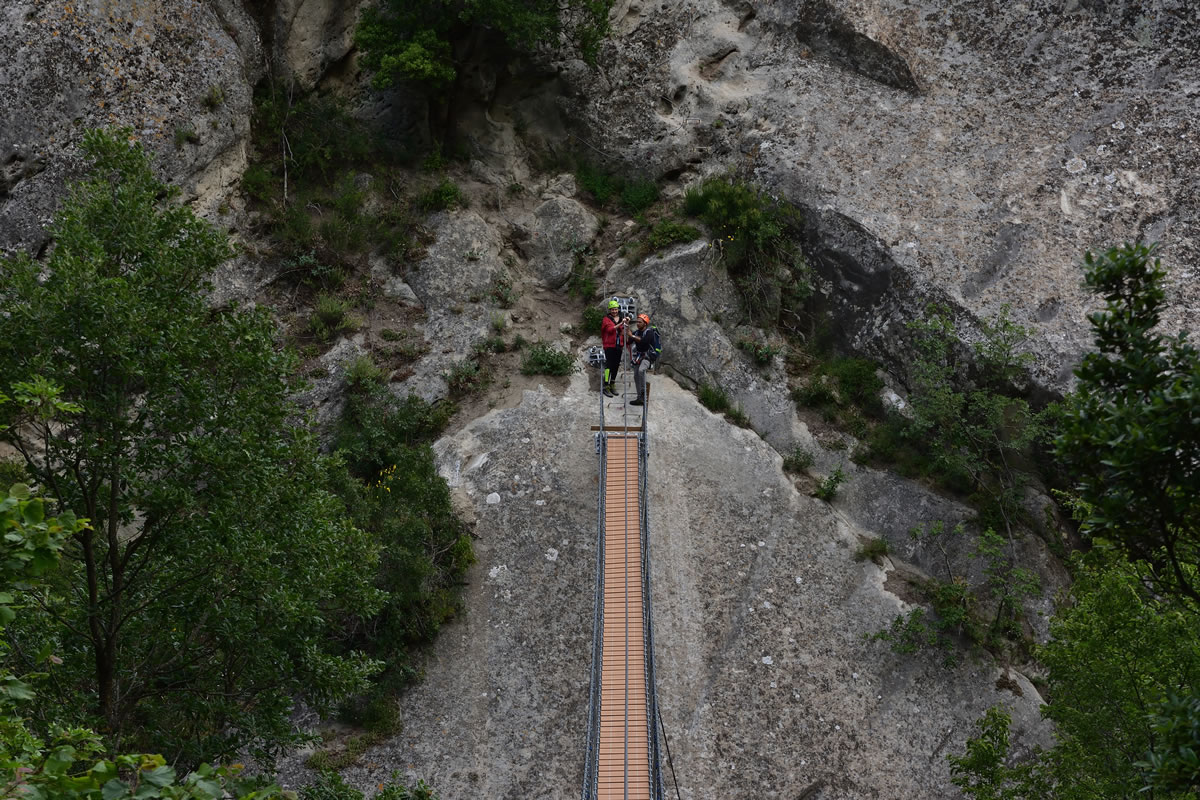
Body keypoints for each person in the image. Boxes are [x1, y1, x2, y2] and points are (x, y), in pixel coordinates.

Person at [627, 313, 660, 406]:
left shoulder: (649, 332)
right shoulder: (637, 332)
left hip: (648, 356)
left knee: (641, 370)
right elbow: (629, 341)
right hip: (639, 356)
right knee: (636, 375)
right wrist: (627, 329)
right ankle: (639, 398)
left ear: (645, 324)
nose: (637, 323)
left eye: (639, 322)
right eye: (637, 322)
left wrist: (632, 336)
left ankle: (643, 393)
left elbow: (645, 342)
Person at [600, 298, 626, 397]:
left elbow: (622, 330)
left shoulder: (620, 318)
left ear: (618, 309)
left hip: (618, 345)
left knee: (616, 365)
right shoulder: (606, 319)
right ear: (610, 310)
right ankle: (606, 385)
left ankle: (612, 383)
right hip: (609, 345)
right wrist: (621, 323)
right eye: (612, 309)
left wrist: (625, 323)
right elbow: (610, 330)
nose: (614, 311)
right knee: (609, 366)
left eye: (615, 309)